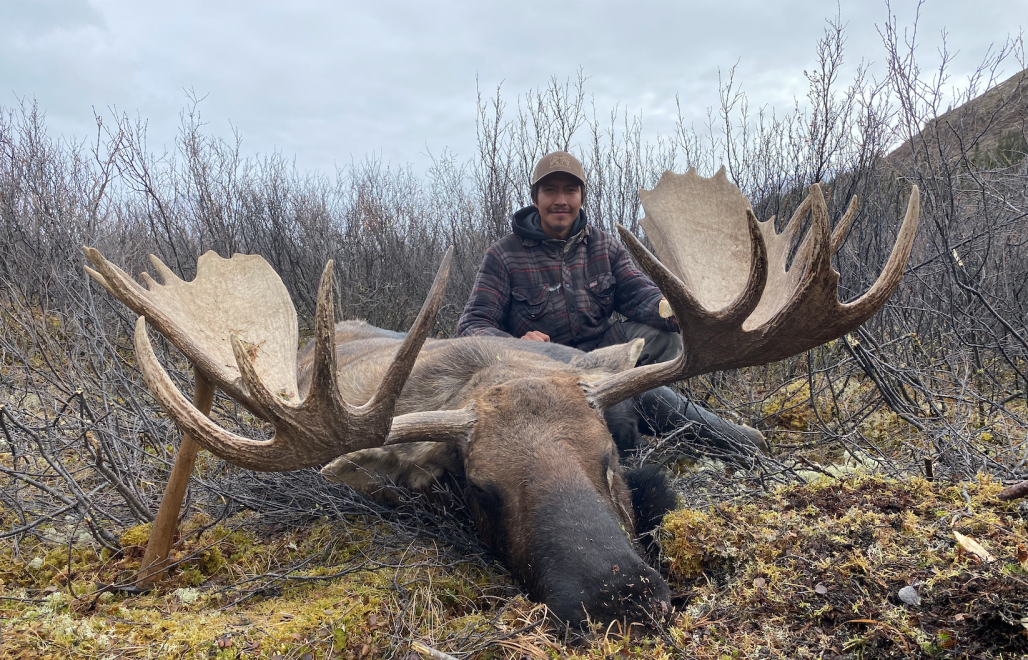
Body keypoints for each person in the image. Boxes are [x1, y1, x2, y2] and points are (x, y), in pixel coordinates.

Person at [457, 151, 766, 457]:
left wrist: (677, 309)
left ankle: (642, 410)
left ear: (582, 196)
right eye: (550, 190)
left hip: (602, 355)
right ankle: (646, 418)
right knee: (618, 406)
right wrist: (517, 345)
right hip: (540, 371)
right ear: (535, 198)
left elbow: (638, 294)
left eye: (570, 190)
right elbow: (472, 326)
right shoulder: (503, 255)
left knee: (665, 338)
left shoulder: (603, 246)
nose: (560, 200)